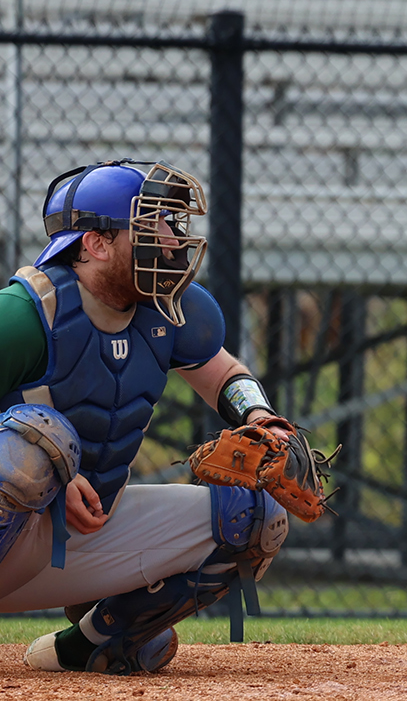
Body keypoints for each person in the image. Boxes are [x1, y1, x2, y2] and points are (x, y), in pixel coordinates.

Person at [0, 160, 297, 673]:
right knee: (35, 446)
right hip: (17, 521)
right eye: (152, 224)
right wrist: (51, 471)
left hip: (73, 541)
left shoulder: (171, 310)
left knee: (254, 517)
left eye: (172, 224)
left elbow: (225, 375)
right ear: (95, 243)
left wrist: (263, 419)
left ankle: (91, 646)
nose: (172, 239)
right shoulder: (26, 313)